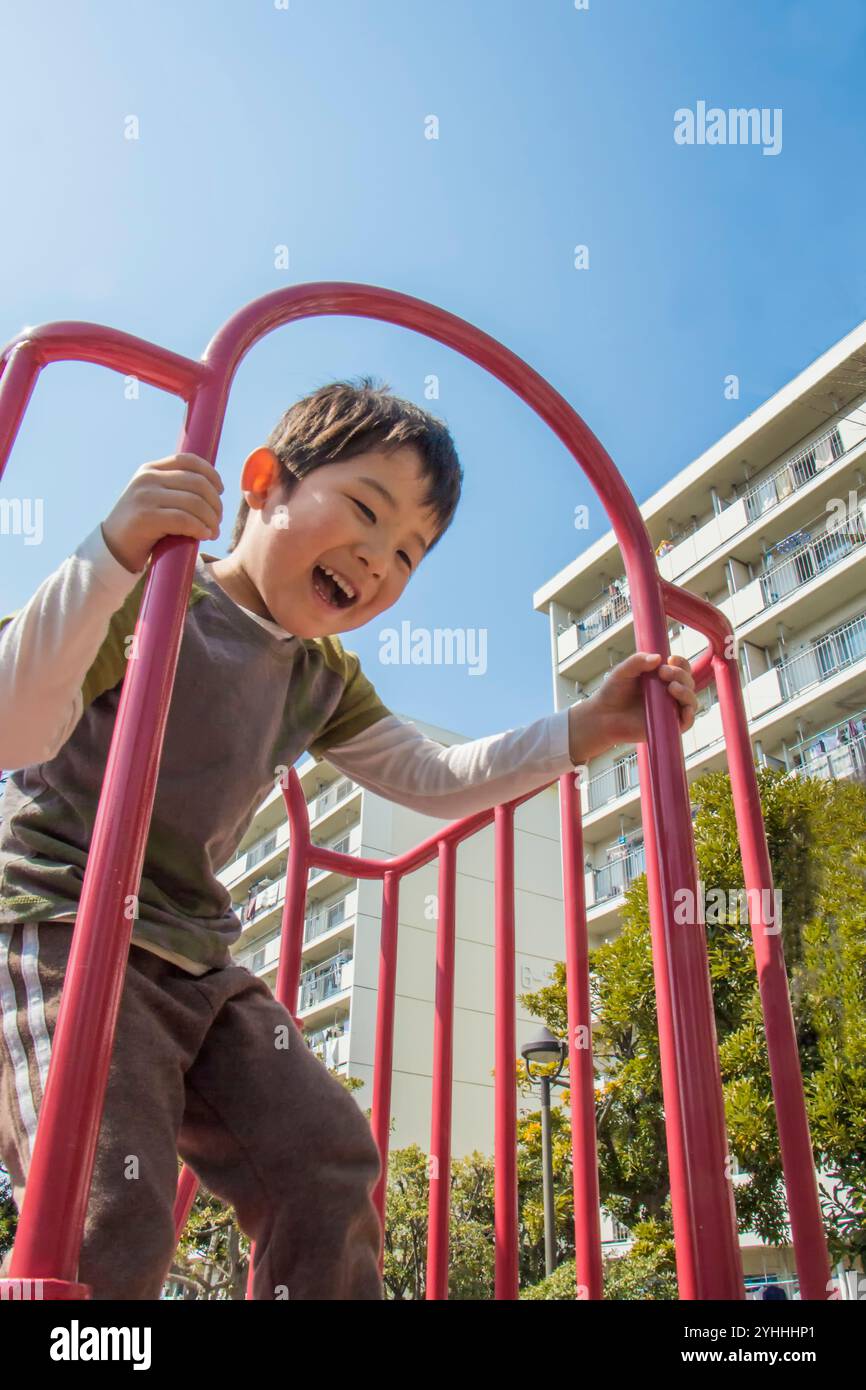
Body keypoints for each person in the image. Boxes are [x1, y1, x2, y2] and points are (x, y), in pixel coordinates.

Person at [0, 377, 697, 1300]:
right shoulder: (158, 587)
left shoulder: (321, 676)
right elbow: (14, 726)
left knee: (324, 1161)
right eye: (364, 513)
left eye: (407, 553)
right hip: (60, 926)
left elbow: (431, 774)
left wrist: (582, 731)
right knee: (107, 1193)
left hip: (197, 962)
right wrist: (111, 553)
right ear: (262, 482)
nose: (376, 561)